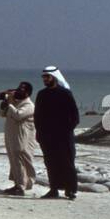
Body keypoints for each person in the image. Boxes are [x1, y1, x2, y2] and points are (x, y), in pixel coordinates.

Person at [34, 66, 79, 200]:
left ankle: (70, 190)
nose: (45, 80)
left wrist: (66, 130)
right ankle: (53, 189)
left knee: (67, 162)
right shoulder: (42, 94)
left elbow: (74, 116)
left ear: (54, 77)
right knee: (50, 162)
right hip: (47, 136)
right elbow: (38, 115)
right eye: (43, 77)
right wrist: (39, 132)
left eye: (47, 77)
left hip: (64, 136)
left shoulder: (65, 93)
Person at [0, 81, 36, 195]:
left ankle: (22, 186)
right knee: (13, 159)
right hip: (12, 135)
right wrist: (5, 102)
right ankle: (17, 184)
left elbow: (18, 115)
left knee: (21, 159)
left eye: (22, 89)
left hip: (23, 137)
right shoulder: (15, 102)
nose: (18, 91)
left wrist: (10, 103)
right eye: (18, 88)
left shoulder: (29, 105)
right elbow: (1, 114)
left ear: (28, 93)